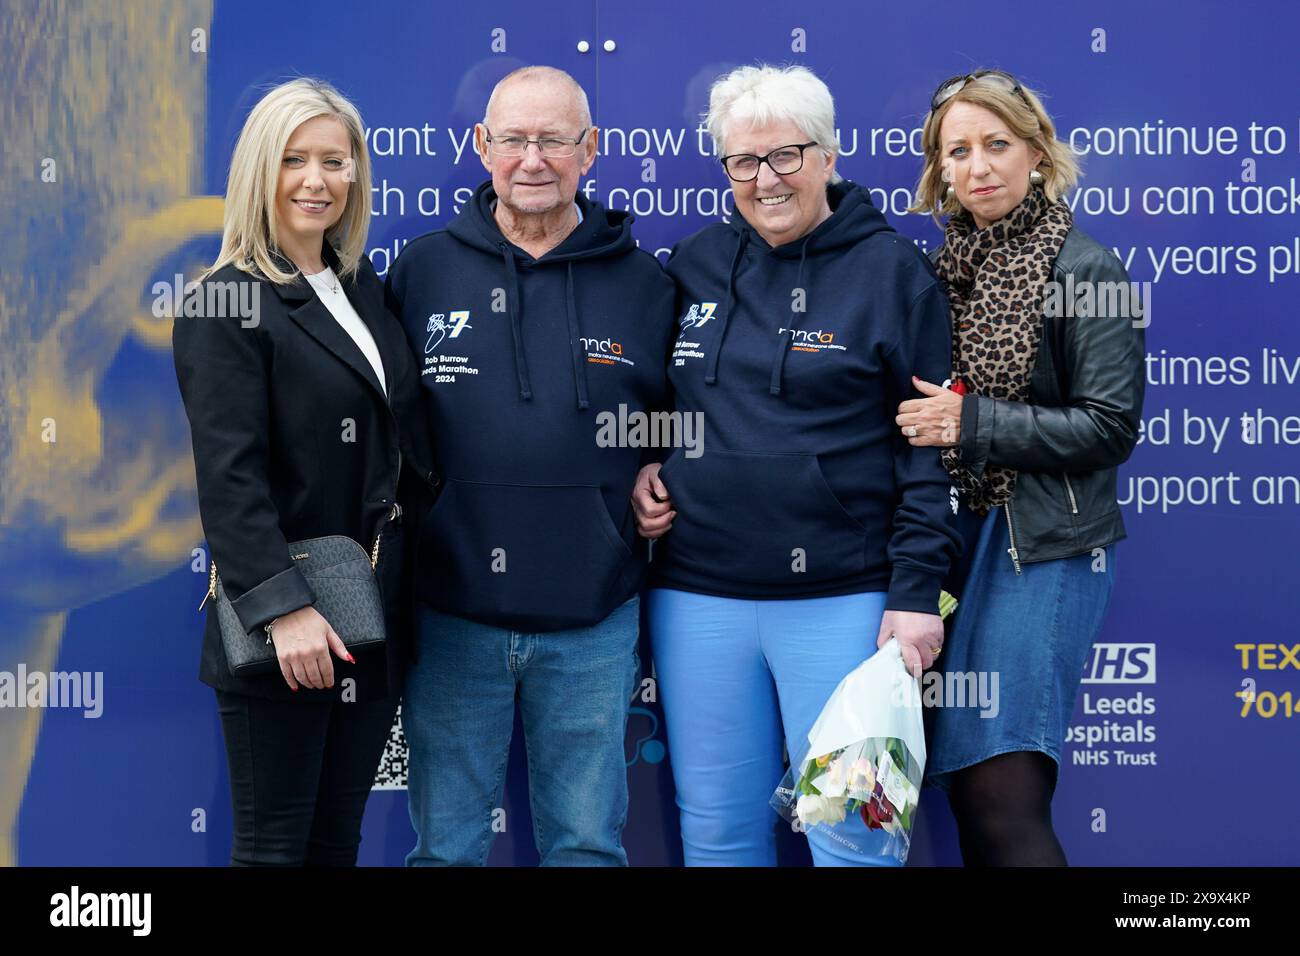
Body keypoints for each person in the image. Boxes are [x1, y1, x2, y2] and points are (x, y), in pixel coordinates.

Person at [632, 64, 960, 866]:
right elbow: (654, 394)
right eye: (742, 162)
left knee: (854, 837)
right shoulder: (697, 264)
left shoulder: (894, 275)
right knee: (716, 832)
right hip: (697, 595)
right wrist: (642, 466)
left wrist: (919, 594)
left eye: (785, 155)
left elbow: (931, 446)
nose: (765, 179)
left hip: (845, 602)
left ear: (828, 155)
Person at [387, 66, 676, 866]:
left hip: (594, 614)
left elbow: (682, 417)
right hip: (451, 615)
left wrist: (663, 472)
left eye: (554, 139)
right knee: (445, 849)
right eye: (513, 139)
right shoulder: (421, 271)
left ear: (591, 149)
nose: (533, 158)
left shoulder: (646, 282)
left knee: (586, 846)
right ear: (482, 146)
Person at [173, 78, 437, 866]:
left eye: (335, 159)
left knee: (335, 842)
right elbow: (230, 479)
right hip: (288, 625)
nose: (317, 179)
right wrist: (283, 612)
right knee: (274, 850)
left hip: (373, 615)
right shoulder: (226, 303)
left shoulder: (360, 288)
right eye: (295, 159)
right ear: (262, 169)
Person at [899, 70, 1145, 866]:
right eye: (957, 151)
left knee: (999, 788)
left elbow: (1110, 428)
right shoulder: (937, 272)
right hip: (951, 542)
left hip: (1042, 546)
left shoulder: (1086, 269)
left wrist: (971, 423)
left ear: (1036, 153)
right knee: (966, 791)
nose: (979, 167)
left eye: (997, 145)